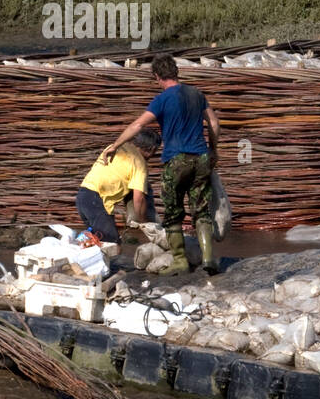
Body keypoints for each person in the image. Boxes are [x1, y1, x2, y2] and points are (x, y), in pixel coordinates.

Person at [100, 54, 221, 274]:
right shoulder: (197, 94)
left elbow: (138, 125)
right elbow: (213, 121)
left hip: (176, 160)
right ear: (176, 72)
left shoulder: (162, 99)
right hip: (201, 159)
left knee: (173, 213)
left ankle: (180, 261)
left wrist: (116, 144)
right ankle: (209, 259)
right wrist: (213, 148)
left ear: (157, 77)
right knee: (201, 211)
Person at [76, 129, 159, 245]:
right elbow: (139, 198)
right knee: (113, 245)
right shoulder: (140, 163)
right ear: (151, 149)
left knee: (96, 243)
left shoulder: (113, 147)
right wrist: (144, 222)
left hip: (82, 196)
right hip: (96, 202)